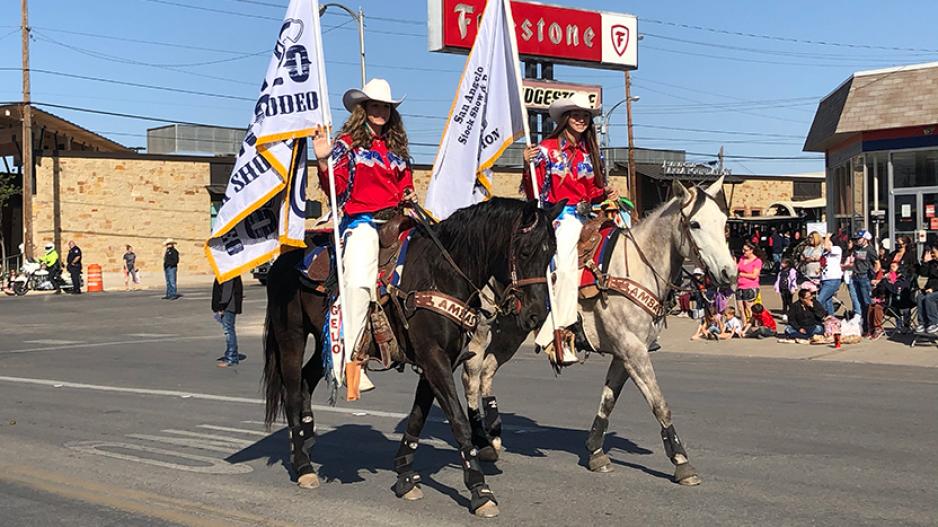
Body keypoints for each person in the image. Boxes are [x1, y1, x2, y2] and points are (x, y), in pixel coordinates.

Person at [314, 78, 413, 389]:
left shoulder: (396, 147)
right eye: (374, 106)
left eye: (385, 106)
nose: (380, 111)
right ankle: (352, 361)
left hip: (397, 221)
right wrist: (321, 159)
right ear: (363, 109)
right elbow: (337, 187)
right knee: (358, 284)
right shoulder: (346, 144)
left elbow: (404, 182)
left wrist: (408, 193)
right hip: (363, 223)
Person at [521, 92, 617, 364]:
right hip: (560, 216)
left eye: (585, 115)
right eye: (576, 115)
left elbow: (591, 191)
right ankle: (561, 330)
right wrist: (526, 165)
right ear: (564, 118)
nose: (581, 119)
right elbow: (533, 190)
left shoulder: (588, 153)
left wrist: (605, 193)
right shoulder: (546, 149)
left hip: (586, 215)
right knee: (564, 265)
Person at [869, 261, 911, 340]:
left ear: (899, 269)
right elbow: (879, 290)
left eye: (894, 267)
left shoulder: (902, 280)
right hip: (886, 301)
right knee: (871, 305)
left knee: (878, 307)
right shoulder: (886, 279)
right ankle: (871, 328)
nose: (891, 269)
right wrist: (882, 281)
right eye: (890, 267)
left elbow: (895, 290)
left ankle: (878, 329)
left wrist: (885, 281)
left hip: (897, 304)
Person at [848, 230, 876, 335]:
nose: (857, 241)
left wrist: (875, 277)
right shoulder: (856, 248)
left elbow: (877, 263)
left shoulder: (870, 250)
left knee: (867, 302)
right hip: (855, 277)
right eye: (855, 239)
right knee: (859, 303)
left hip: (865, 277)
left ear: (865, 238)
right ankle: (864, 327)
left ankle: (871, 327)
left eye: (858, 239)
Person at [213, 276, 244, 368]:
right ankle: (231, 354)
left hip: (228, 307)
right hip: (229, 306)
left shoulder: (228, 274)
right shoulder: (229, 272)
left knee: (229, 331)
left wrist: (221, 306)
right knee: (229, 330)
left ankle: (231, 357)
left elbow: (226, 293)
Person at [735, 241, 763, 325]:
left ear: (751, 250)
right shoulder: (742, 258)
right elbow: (737, 268)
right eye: (743, 250)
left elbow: (754, 275)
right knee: (740, 308)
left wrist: (741, 274)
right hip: (740, 286)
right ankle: (744, 324)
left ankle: (751, 324)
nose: (743, 252)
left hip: (750, 286)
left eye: (746, 250)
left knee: (749, 307)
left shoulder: (757, 261)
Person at [816, 235, 843, 315]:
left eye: (827, 241)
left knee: (820, 300)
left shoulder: (837, 249)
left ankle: (817, 317)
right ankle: (831, 319)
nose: (825, 243)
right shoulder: (825, 252)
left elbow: (827, 247)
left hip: (833, 279)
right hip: (824, 279)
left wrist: (827, 237)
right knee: (828, 301)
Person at [915, 244, 938, 333]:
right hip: (930, 289)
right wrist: (925, 262)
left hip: (935, 290)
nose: (932, 254)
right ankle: (923, 323)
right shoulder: (933, 263)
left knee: (929, 298)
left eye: (934, 252)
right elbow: (923, 273)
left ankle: (934, 322)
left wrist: (933, 289)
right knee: (920, 297)